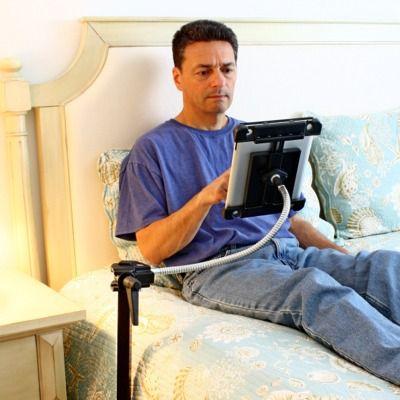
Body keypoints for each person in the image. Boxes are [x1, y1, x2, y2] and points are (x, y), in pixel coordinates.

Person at [116, 19, 400, 385]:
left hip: (286, 253)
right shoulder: (151, 151)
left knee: (386, 267)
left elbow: (290, 222)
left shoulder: (255, 139)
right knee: (312, 289)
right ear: (178, 77)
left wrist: (348, 262)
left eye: (227, 69)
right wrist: (206, 197)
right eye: (204, 71)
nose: (218, 81)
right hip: (220, 269)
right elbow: (153, 249)